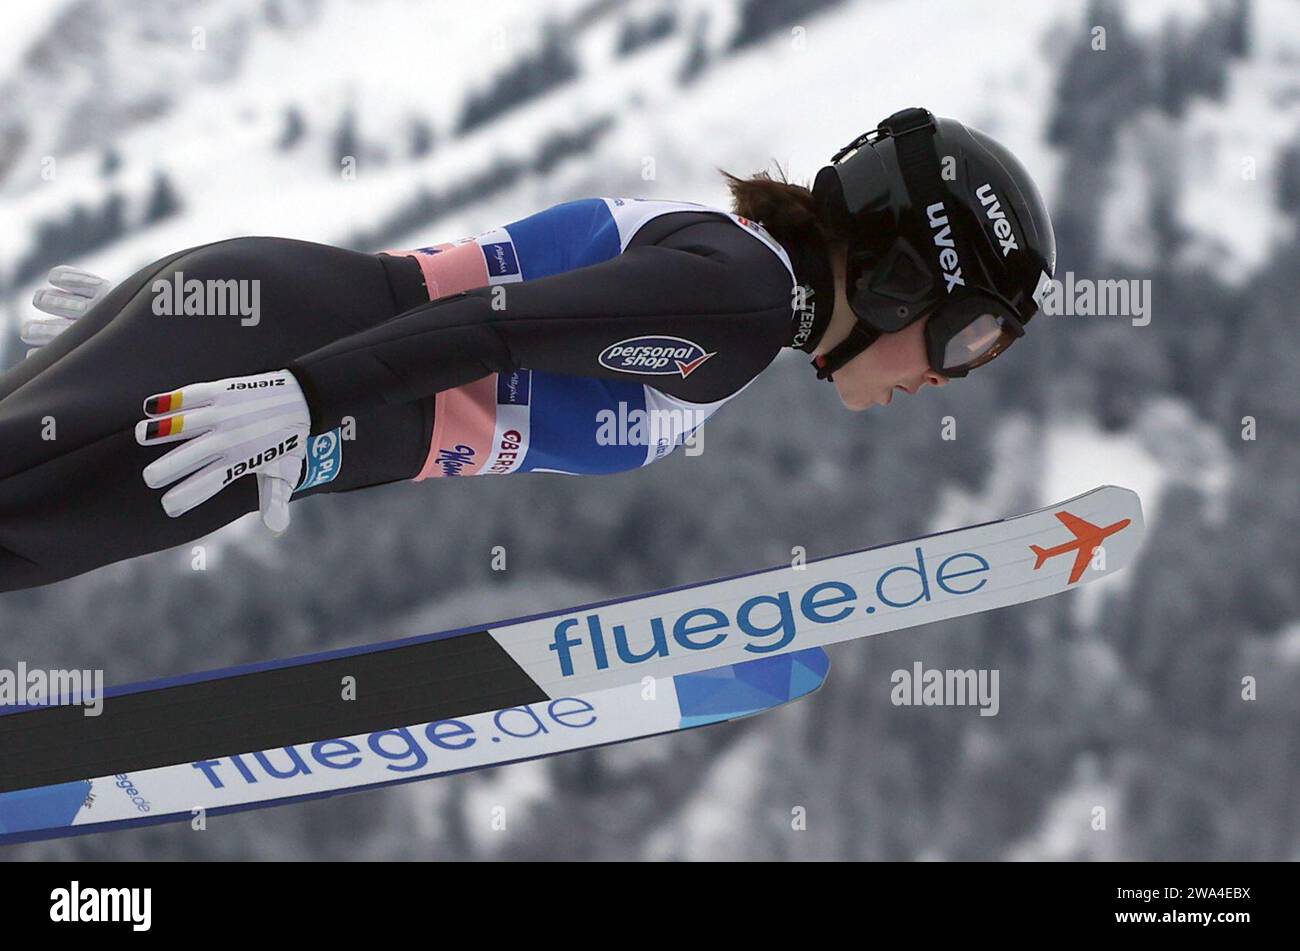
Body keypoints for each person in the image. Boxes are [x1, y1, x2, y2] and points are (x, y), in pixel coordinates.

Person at [0, 107, 1055, 592]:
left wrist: (244, 353)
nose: (938, 378)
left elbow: (488, 326)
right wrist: (306, 393)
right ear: (898, 275)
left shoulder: (736, 288)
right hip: (276, 373)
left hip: (277, 357)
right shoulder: (735, 309)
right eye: (965, 338)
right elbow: (497, 325)